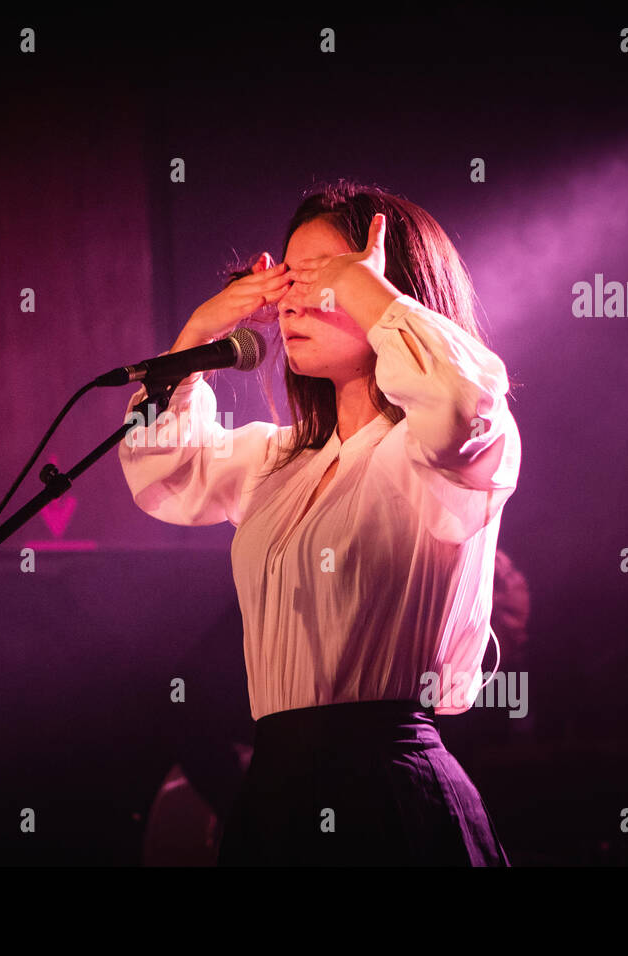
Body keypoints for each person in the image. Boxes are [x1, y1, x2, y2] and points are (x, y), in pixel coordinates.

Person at [119, 180, 520, 865]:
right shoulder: (276, 459)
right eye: (288, 280)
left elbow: (461, 401)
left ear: (390, 287)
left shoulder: (442, 453)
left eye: (325, 277)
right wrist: (198, 335)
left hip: (389, 789)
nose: (294, 299)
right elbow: (162, 470)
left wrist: (369, 292)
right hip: (277, 791)